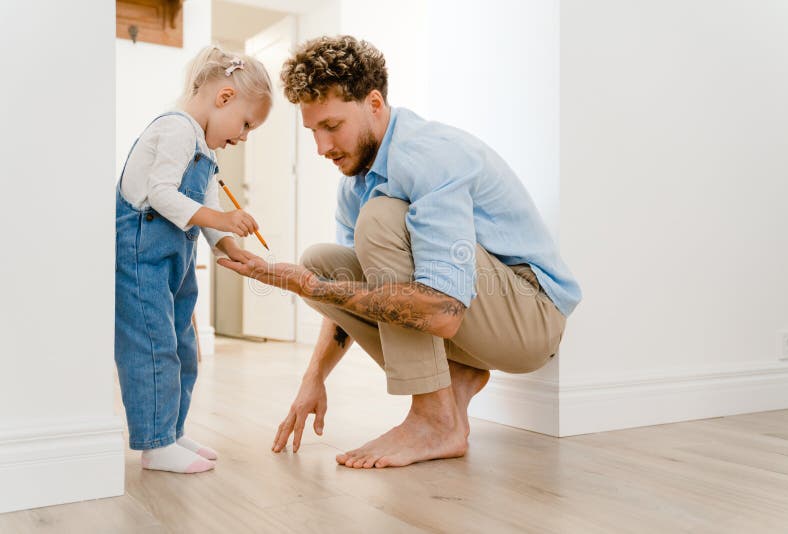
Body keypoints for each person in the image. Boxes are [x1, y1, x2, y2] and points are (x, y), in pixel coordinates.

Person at [220, 35, 581, 469]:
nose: (322, 148)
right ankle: (457, 385)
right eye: (313, 131)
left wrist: (313, 289)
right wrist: (313, 378)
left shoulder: (427, 156)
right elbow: (354, 291)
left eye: (332, 126)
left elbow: (443, 311)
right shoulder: (355, 183)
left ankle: (434, 419)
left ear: (374, 103)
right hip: (480, 320)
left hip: (531, 316)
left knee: (377, 222)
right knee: (322, 260)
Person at [115, 46, 271, 473]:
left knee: (184, 346)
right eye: (245, 124)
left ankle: (173, 432)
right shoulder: (177, 130)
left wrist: (228, 244)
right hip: (141, 257)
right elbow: (163, 193)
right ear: (223, 97)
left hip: (173, 263)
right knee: (153, 347)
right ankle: (155, 443)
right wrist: (222, 218)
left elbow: (205, 197)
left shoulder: (203, 145)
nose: (242, 137)